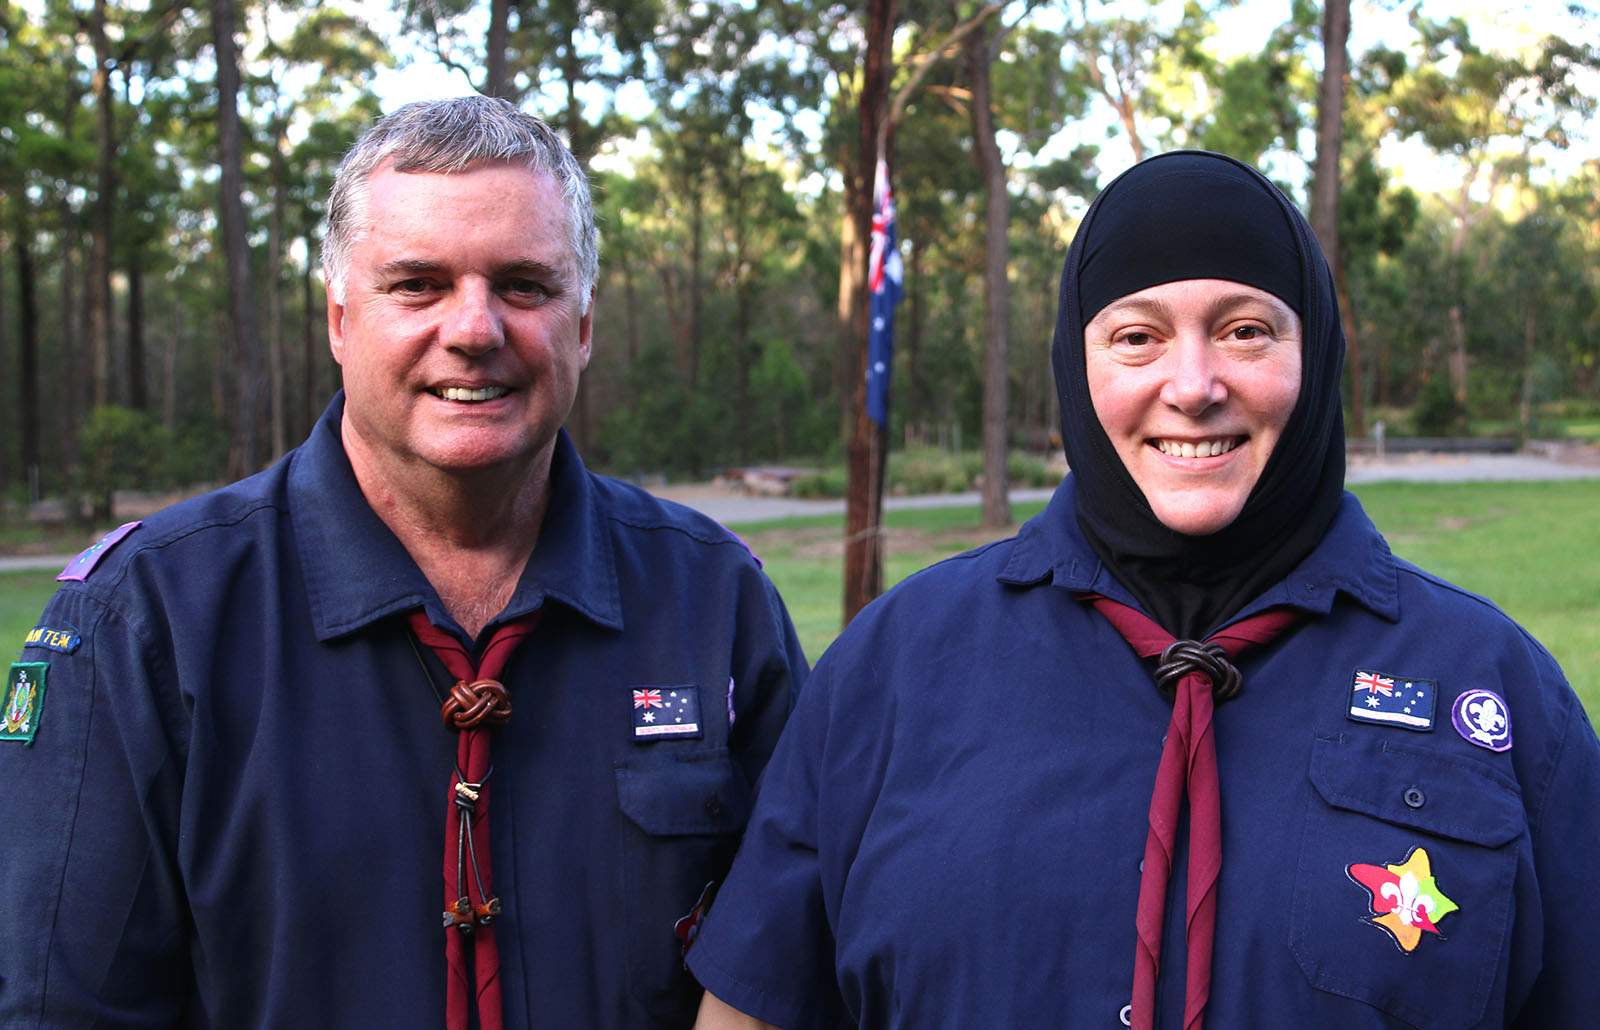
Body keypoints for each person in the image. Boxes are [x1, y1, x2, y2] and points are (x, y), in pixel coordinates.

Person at [688, 151, 1600, 1029]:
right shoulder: (893, 666)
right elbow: (754, 1012)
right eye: (1137, 338)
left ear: (1317, 354)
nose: (1193, 387)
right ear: (1076, 365)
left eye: (1245, 331)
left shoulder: (1497, 689)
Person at [0, 95, 806, 1029]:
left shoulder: (713, 602)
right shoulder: (147, 621)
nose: (474, 329)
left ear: (584, 326)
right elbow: (60, 1008)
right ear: (340, 320)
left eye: (524, 286)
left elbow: (795, 957)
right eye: (418, 284)